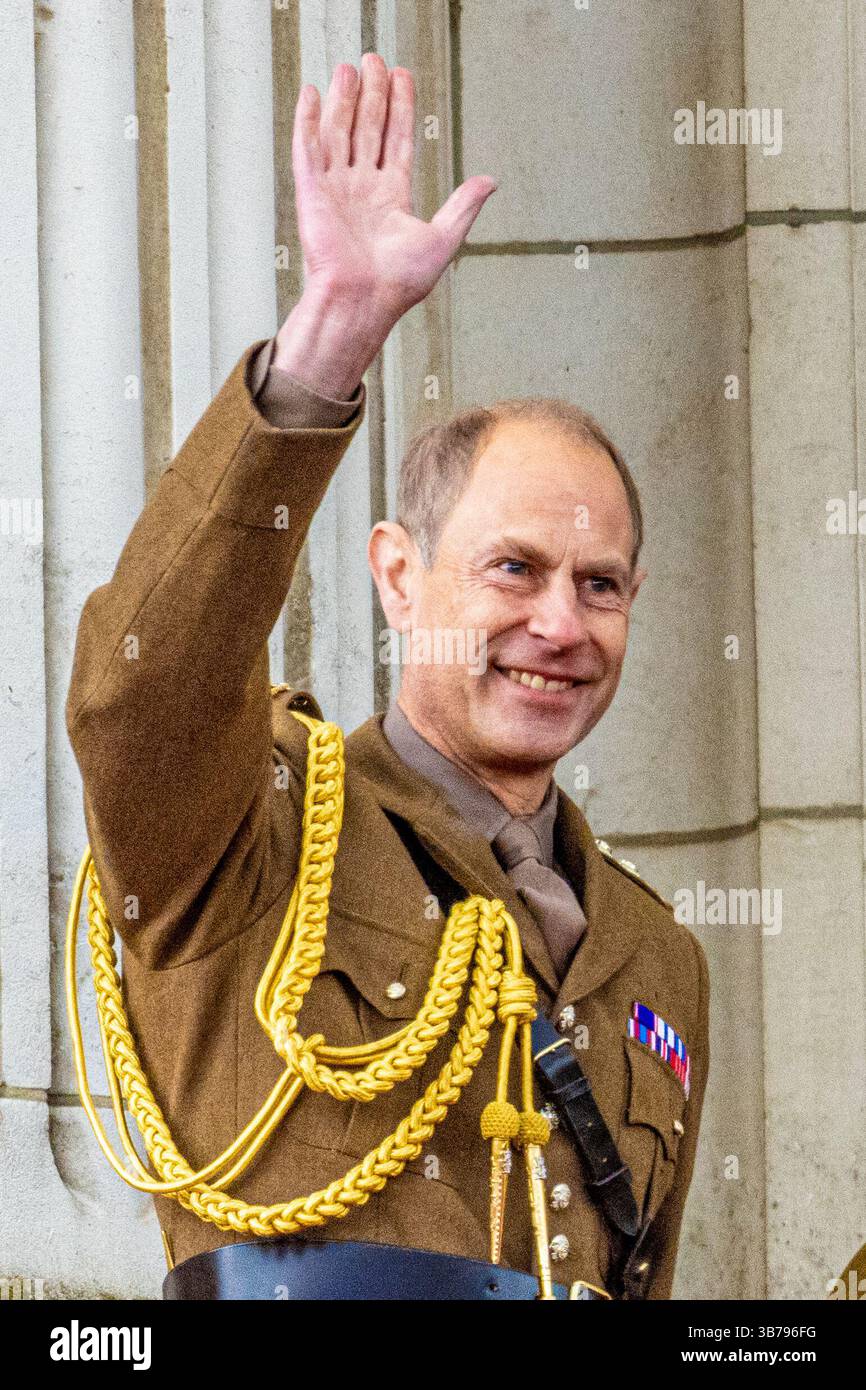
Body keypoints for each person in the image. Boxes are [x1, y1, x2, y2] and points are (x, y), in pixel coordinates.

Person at [66, 53, 709, 1300]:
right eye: (511, 569)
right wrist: (325, 347)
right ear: (398, 576)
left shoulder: (654, 953)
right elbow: (138, 695)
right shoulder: (250, 825)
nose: (557, 623)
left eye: (598, 585)